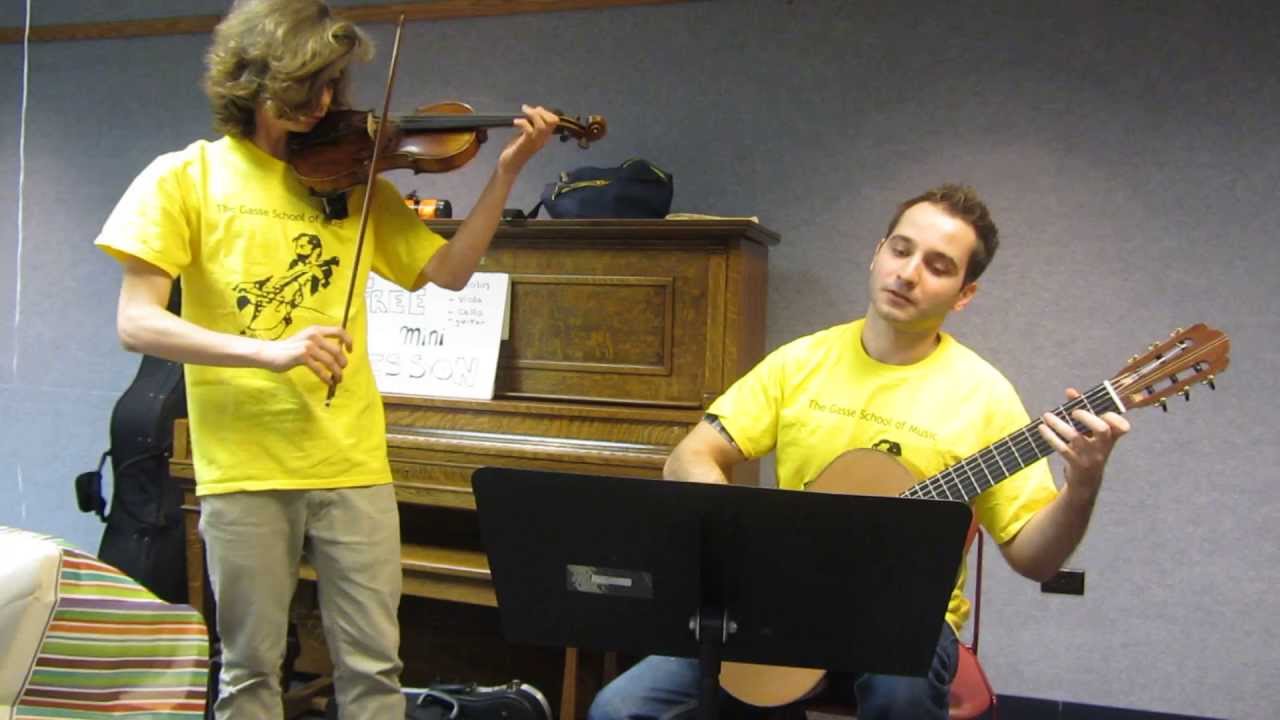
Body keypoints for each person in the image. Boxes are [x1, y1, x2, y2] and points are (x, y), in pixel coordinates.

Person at [93, 1, 560, 718]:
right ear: (253, 81)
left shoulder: (354, 183)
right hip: (245, 468)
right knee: (251, 670)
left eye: (333, 87)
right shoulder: (184, 178)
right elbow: (137, 323)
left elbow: (453, 272)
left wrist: (506, 172)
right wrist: (271, 352)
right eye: (306, 86)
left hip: (353, 462)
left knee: (374, 669)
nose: (324, 105)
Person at [587, 184, 1131, 720]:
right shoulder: (800, 362)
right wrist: (745, 556)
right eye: (901, 249)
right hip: (782, 604)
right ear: (877, 253)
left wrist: (1082, 487)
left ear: (964, 294)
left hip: (905, 617)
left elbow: (1035, 560)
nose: (909, 272)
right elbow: (687, 458)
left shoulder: (985, 397)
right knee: (619, 707)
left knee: (898, 693)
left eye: (939, 266)